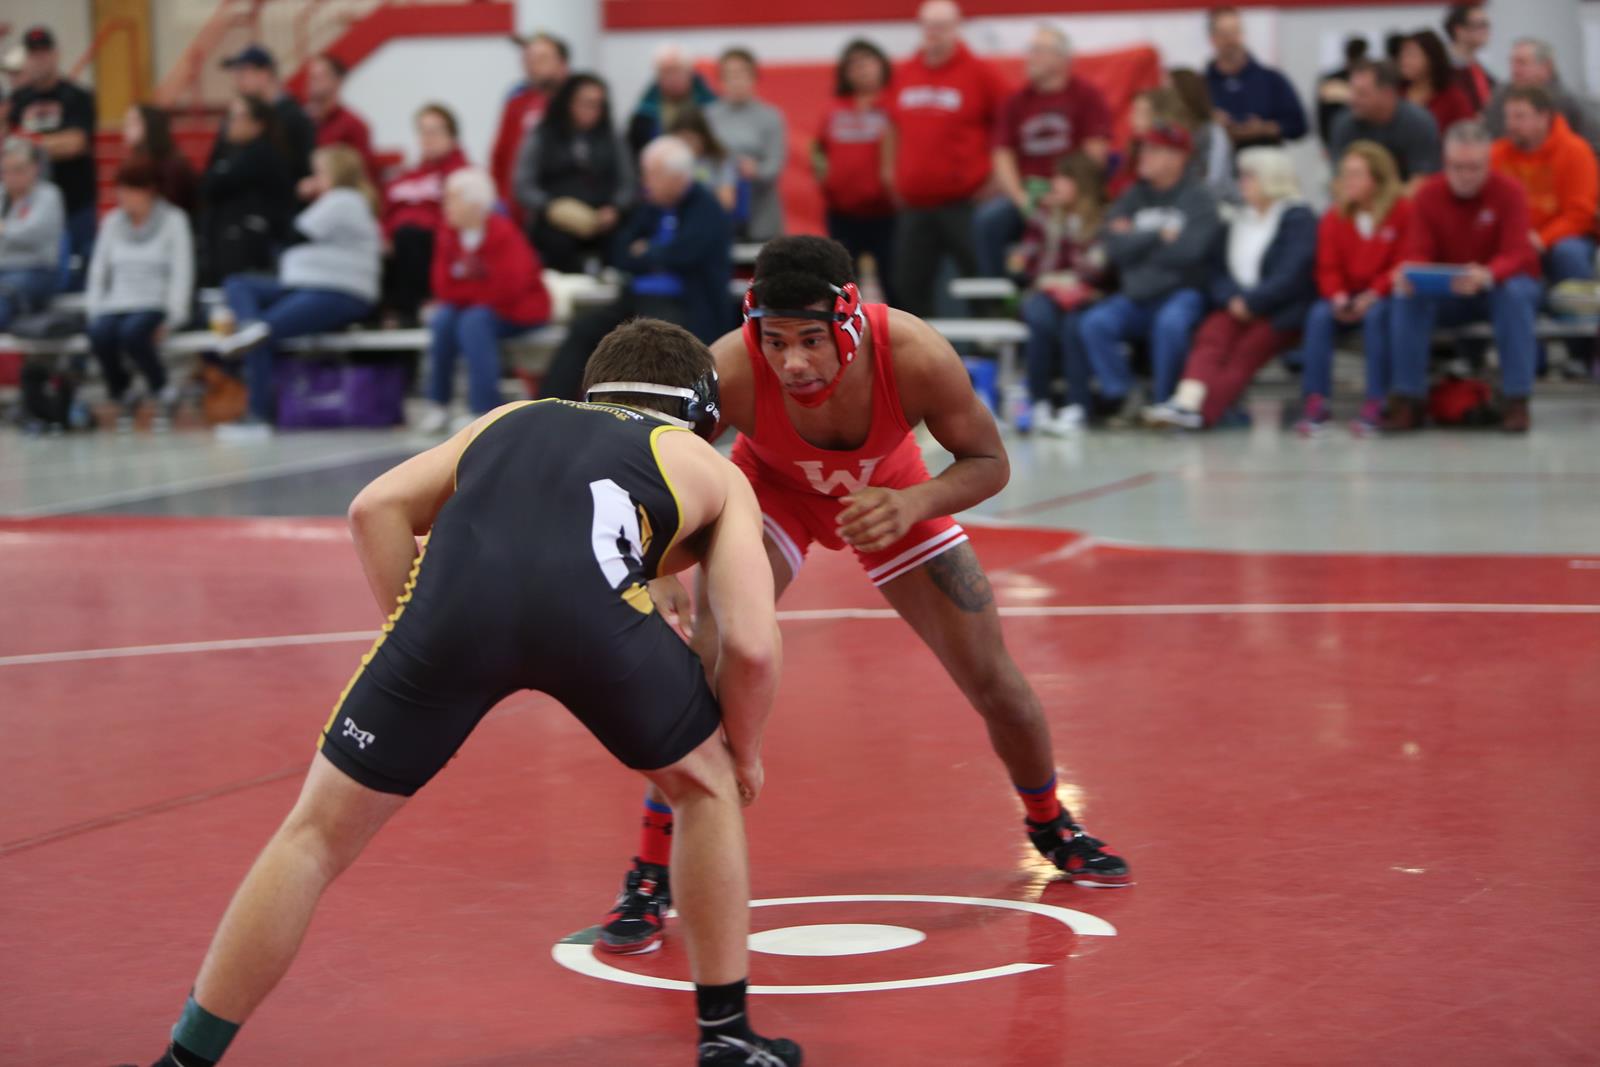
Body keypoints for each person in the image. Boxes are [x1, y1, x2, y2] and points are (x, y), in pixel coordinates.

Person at [116, 318, 804, 1067]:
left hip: (451, 616)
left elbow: (373, 508)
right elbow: (750, 644)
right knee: (703, 790)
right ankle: (725, 1037)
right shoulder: (708, 467)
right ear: (703, 415)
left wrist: (416, 649)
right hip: (596, 620)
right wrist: (745, 753)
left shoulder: (511, 418)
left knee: (311, 837)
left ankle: (184, 1059)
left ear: (589, 393)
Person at [589, 233, 1130, 957]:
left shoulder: (914, 353)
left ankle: (1051, 822)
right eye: (776, 341)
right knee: (706, 671)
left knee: (996, 682)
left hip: (893, 493)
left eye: (811, 340)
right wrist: (658, 565)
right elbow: (650, 462)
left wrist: (915, 502)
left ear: (850, 322)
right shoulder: (730, 368)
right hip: (770, 495)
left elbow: (988, 460)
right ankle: (650, 873)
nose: (793, 363)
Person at [540, 136, 733, 400]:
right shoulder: (649, 208)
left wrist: (647, 251)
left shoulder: (707, 209)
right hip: (636, 297)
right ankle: (550, 404)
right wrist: (655, 255)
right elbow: (620, 252)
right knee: (584, 328)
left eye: (651, 175)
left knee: (650, 341)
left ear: (676, 177)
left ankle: (650, 408)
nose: (645, 182)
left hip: (684, 303)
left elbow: (685, 255)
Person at [1144, 146, 1316, 430]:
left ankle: (1203, 413)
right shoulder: (1237, 218)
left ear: (1271, 178)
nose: (1241, 183)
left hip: (1280, 310)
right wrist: (1233, 299)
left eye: (1249, 177)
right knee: (1211, 335)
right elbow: (1217, 268)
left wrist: (1253, 302)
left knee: (1246, 351)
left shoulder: (1298, 218)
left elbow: (1293, 273)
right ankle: (1185, 402)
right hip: (1236, 305)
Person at [214, 144, 381, 434]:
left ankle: (258, 415)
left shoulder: (343, 199)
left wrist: (299, 196)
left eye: (319, 173)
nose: (313, 179)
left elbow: (291, 233)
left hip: (337, 291)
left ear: (334, 174)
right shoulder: (333, 202)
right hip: (304, 285)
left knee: (260, 336)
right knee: (239, 286)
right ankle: (249, 327)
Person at [1388, 120, 1541, 434]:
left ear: (1488, 163)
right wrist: (1415, 275)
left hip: (1498, 286)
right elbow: (1417, 251)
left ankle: (1516, 400)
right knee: (1407, 296)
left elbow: (1517, 253)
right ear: (1445, 163)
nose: (1466, 175)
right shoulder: (1427, 195)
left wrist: (1487, 274)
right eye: (1457, 167)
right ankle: (1408, 399)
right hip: (1448, 289)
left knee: (1514, 295)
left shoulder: (1510, 192)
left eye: (1474, 167)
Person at [1079, 122, 1223, 410]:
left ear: (1178, 157)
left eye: (1154, 150)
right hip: (1137, 296)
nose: (1143, 156)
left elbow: (1191, 252)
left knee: (1171, 324)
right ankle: (1125, 394)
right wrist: (1158, 235)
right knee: (1095, 323)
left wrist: (1135, 239)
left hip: (1181, 292)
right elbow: (1114, 248)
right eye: (1143, 149)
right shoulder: (1133, 195)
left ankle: (1165, 401)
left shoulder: (1199, 198)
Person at [888, 0, 1008, 317]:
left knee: (979, 279)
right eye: (928, 26)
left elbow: (1007, 127)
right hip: (915, 202)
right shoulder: (905, 72)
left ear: (956, 29)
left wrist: (998, 178)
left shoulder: (981, 72)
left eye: (941, 27)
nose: (933, 33)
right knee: (908, 283)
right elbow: (892, 127)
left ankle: (988, 342)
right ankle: (918, 344)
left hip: (965, 201)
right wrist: (890, 174)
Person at [419, 167, 551, 433]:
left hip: (520, 310)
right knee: (443, 319)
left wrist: (467, 291)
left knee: (473, 321)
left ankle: (483, 408)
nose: (446, 205)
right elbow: (442, 286)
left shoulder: (503, 233)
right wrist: (475, 292)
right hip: (476, 310)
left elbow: (508, 289)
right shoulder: (448, 234)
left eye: (453, 198)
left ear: (475, 204)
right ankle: (439, 403)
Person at [974, 24, 1112, 277]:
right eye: (1030, 50)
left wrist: (1069, 192)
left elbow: (1095, 154)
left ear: (1060, 58)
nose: (1030, 57)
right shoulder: (1017, 101)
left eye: (1038, 50)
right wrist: (1020, 198)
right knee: (989, 221)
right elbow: (1002, 155)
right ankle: (997, 293)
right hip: (1030, 193)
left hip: (1073, 193)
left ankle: (1079, 285)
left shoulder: (1086, 96)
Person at [1296, 140, 1411, 436]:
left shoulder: (1402, 212)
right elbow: (1327, 266)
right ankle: (1316, 400)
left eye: (1356, 174)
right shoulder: (1334, 217)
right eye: (1345, 174)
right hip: (1347, 295)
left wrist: (1374, 293)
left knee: (1377, 316)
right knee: (1319, 315)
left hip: (1384, 295)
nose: (1347, 181)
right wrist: (1337, 297)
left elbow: (1404, 263)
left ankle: (1377, 400)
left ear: (1377, 179)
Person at [1491, 85, 1598, 365]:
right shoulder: (1497, 154)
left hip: (1565, 239)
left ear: (1544, 117)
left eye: (1520, 116)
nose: (1511, 124)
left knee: (1569, 254)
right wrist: (1518, 241)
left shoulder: (1575, 151)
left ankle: (1581, 352)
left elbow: (1581, 214)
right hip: (1515, 241)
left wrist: (1541, 240)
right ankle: (1526, 359)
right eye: (1508, 116)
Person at [85, 159, 195, 430]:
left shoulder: (174, 220)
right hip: (117, 302)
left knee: (132, 333)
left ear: (148, 190)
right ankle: (122, 391)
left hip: (153, 302)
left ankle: (162, 389)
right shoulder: (112, 222)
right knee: (100, 334)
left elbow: (182, 271)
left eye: (130, 189)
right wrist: (94, 309)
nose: (123, 196)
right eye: (120, 189)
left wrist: (174, 317)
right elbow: (98, 272)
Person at [1013, 152, 1108, 435]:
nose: (1055, 184)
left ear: (1081, 183)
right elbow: (1025, 262)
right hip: (1046, 292)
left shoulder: (1101, 218)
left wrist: (1069, 278)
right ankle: (1039, 401)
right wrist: (1053, 235)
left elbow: (1097, 268)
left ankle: (1078, 405)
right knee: (1039, 317)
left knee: (1074, 327)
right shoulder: (1045, 216)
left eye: (1063, 178)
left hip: (1086, 295)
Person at [514, 73, 632, 274]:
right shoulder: (543, 135)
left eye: (598, 105)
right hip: (556, 217)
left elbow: (628, 182)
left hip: (603, 217)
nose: (592, 110)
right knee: (557, 245)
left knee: (623, 242)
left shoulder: (612, 136)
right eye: (586, 103)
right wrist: (551, 207)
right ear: (568, 103)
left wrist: (616, 208)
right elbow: (523, 185)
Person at [7, 26, 96, 284]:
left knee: (79, 273)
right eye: (33, 54)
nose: (39, 60)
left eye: (43, 53)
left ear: (56, 54)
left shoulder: (77, 96)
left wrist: (30, 144)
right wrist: (52, 144)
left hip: (75, 203)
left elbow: (76, 143)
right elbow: (10, 149)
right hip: (30, 208)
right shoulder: (18, 100)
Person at [813, 38, 898, 302]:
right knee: (844, 287)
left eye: (867, 62)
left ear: (882, 65)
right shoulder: (835, 107)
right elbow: (818, 147)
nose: (861, 69)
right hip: (843, 212)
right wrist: (824, 176)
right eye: (853, 64)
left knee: (896, 283)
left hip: (889, 212)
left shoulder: (894, 103)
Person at [380, 103, 468, 324]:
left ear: (451, 136)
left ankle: (407, 312)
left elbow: (458, 218)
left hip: (436, 244)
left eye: (434, 131)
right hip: (399, 244)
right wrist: (385, 236)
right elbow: (385, 212)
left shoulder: (462, 175)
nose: (427, 138)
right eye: (422, 131)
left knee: (409, 235)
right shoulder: (406, 176)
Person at [198, 94, 295, 284]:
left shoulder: (262, 155)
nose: (229, 124)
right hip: (227, 244)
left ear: (258, 125)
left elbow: (213, 186)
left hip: (251, 250)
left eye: (237, 117)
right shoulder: (230, 154)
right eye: (229, 117)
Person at [706, 48, 788, 242]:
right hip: (719, 211)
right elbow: (700, 162)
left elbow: (774, 166)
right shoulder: (708, 116)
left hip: (761, 213)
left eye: (741, 74)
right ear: (721, 80)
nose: (736, 81)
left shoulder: (771, 117)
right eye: (729, 75)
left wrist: (755, 170)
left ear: (753, 77)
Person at [1203, 6, 1308, 148]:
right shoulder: (1200, 85)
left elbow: (1299, 125)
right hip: (1217, 153)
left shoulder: (1272, 80)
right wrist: (1210, 123)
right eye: (1224, 33)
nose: (1230, 40)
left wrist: (1264, 128)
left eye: (1234, 32)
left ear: (1242, 34)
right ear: (1212, 38)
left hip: (1263, 152)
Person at [489, 32, 571, 212]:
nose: (532, 65)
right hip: (518, 206)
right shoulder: (516, 102)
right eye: (527, 59)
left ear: (562, 63)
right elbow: (500, 155)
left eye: (541, 58)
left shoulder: (575, 101)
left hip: (562, 204)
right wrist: (500, 199)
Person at [1329, 60, 1442, 185]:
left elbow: (1423, 181)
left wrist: (1387, 197)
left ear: (1387, 93)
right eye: (1352, 91)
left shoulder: (1418, 123)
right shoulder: (1344, 124)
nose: (1353, 99)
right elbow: (1339, 180)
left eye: (1362, 93)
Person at [214, 44, 315, 183]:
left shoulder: (294, 118)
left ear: (264, 74)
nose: (237, 80)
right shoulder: (237, 116)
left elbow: (301, 170)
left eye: (243, 73)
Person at [1485, 39, 1600, 159]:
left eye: (1522, 63)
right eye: (1512, 63)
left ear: (1546, 66)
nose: (1515, 70)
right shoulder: (1500, 96)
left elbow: (1595, 145)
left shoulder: (1568, 102)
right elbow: (1487, 135)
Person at [0, 136, 63, 329]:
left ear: (35, 168)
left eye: (18, 169)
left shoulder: (49, 196)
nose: (11, 176)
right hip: (3, 272)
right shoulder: (1, 195)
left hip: (36, 271)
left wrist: (4, 228)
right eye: (6, 170)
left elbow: (31, 233)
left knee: (3, 297)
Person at [627, 43, 718, 159]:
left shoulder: (712, 106)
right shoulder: (644, 115)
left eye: (676, 70)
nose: (672, 78)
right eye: (666, 72)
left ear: (689, 72)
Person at [301, 54, 377, 184]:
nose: (313, 81)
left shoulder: (352, 124)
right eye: (311, 76)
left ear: (337, 80)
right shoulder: (305, 122)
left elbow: (362, 174)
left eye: (320, 76)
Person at [1169, 68, 1237, 202]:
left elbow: (1215, 179)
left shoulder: (1213, 132)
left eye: (1168, 91)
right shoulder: (1167, 131)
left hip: (1213, 201)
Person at [123, 104, 198, 218]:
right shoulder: (137, 162)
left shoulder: (172, 167)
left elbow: (171, 212)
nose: (126, 128)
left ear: (151, 125)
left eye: (133, 122)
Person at [1399, 31, 1475, 136]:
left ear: (1432, 59)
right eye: (1403, 55)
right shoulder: (1395, 92)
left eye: (1412, 55)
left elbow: (1468, 135)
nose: (1404, 61)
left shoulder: (1453, 97)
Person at [667, 110, 740, 217]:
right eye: (680, 139)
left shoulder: (720, 160)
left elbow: (727, 203)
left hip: (707, 215)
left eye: (690, 139)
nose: (685, 145)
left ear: (704, 138)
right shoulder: (665, 159)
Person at [1317, 36, 1369, 145]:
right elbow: (1323, 114)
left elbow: (1322, 115)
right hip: (1338, 135)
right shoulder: (1332, 80)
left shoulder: (1331, 80)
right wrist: (1326, 141)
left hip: (1361, 135)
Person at [1443, 3, 1495, 112]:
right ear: (1459, 30)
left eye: (1486, 25)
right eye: (1480, 25)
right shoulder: (1444, 68)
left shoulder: (1478, 68)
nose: (1486, 31)